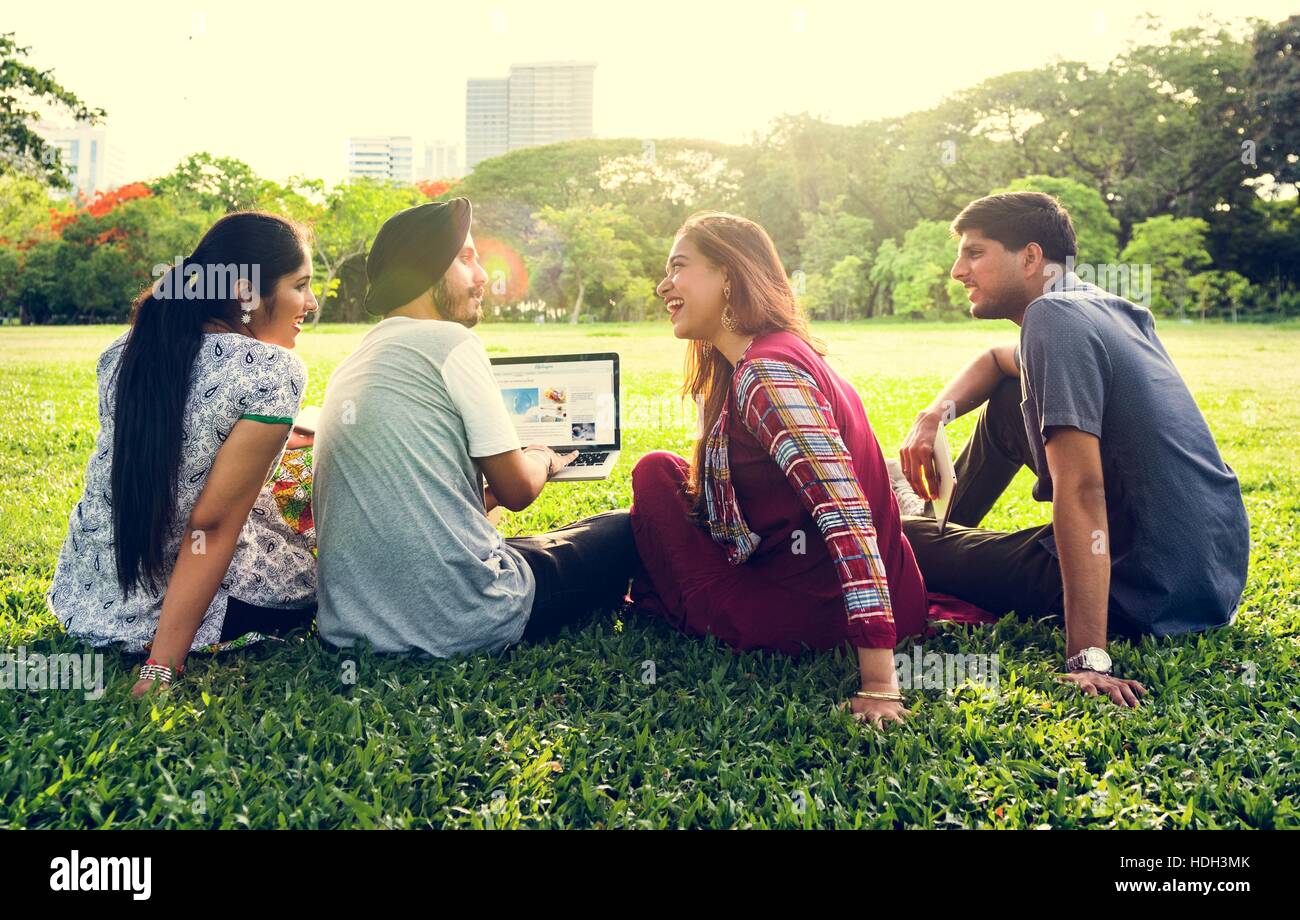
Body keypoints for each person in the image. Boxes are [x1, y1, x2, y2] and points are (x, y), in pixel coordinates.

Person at [895, 191, 1250, 708]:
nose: (958, 271)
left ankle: (925, 532)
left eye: (975, 253)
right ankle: (945, 521)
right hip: (1208, 573)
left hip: (1143, 586)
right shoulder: (1103, 307)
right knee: (1001, 402)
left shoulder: (1052, 318)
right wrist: (933, 417)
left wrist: (1089, 658)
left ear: (1031, 257)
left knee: (895, 537)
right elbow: (997, 361)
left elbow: (1082, 489)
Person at [628, 211, 929, 729]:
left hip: (817, 615)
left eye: (679, 267)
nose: (663, 286)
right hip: (866, 587)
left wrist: (880, 683)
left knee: (651, 479)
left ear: (728, 275)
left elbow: (846, 517)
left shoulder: (766, 373)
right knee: (664, 471)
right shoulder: (761, 358)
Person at [313, 198, 637, 658]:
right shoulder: (451, 342)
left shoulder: (353, 363)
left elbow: (419, 498)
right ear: (425, 269)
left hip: (350, 631)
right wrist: (541, 456)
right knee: (623, 527)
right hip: (463, 619)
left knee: (534, 544)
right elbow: (519, 489)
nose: (483, 276)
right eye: (465, 258)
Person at [45, 212, 321, 697]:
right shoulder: (274, 372)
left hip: (88, 598)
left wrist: (279, 438)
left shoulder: (126, 349)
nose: (311, 303)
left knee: (298, 457)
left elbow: (174, 443)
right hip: (174, 613)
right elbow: (209, 529)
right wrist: (161, 667)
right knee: (314, 500)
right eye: (300, 286)